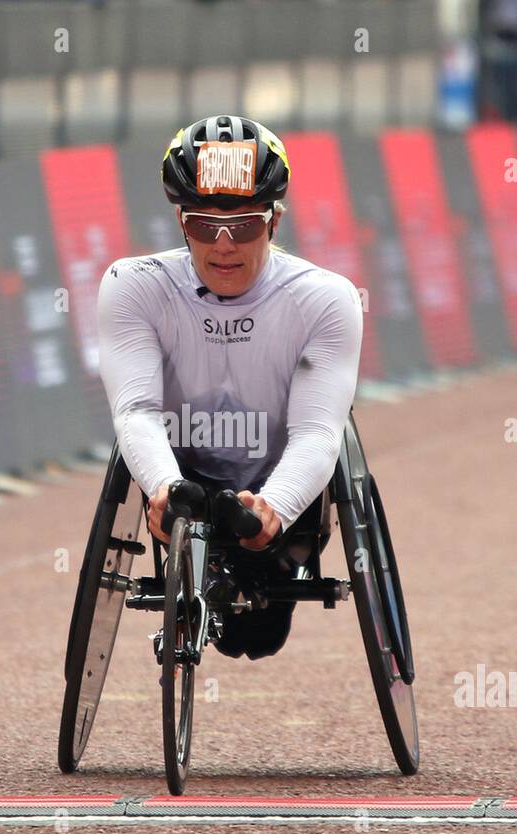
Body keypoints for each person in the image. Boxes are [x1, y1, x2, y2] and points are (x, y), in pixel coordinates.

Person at [96, 114, 363, 660]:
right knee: (185, 503)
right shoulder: (133, 286)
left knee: (257, 640)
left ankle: (264, 565)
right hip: (181, 486)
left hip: (275, 496)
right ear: (179, 220)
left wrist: (275, 508)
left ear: (274, 221)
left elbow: (317, 432)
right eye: (202, 225)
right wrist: (164, 488)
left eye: (242, 226)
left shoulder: (326, 299)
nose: (223, 245)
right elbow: (136, 410)